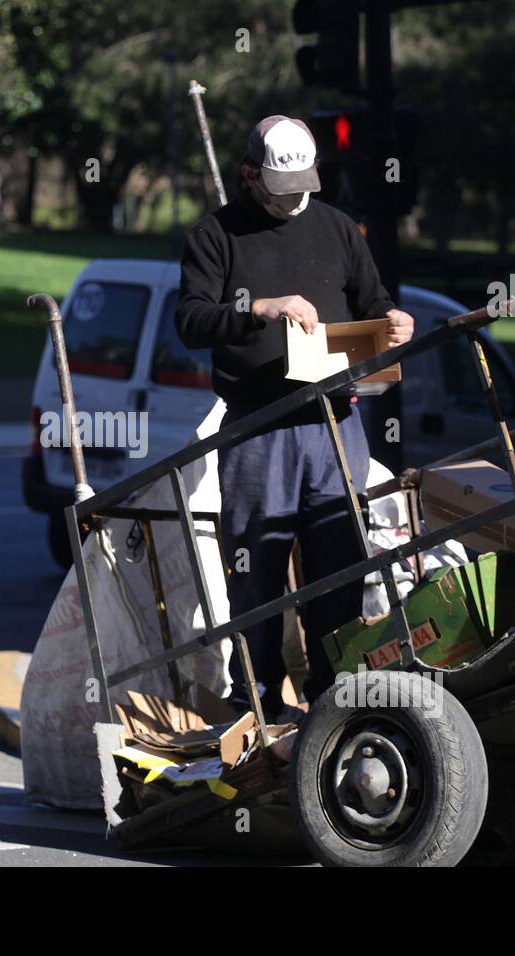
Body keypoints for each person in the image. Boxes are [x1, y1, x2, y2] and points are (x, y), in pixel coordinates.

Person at [175, 115, 415, 718]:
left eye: (303, 185)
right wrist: (257, 307)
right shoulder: (217, 235)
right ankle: (255, 696)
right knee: (256, 565)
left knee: (339, 563)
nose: (295, 200)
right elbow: (191, 320)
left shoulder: (336, 227)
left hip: (334, 421)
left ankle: (335, 695)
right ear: (250, 176)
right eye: (281, 188)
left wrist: (394, 323)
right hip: (258, 425)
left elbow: (373, 301)